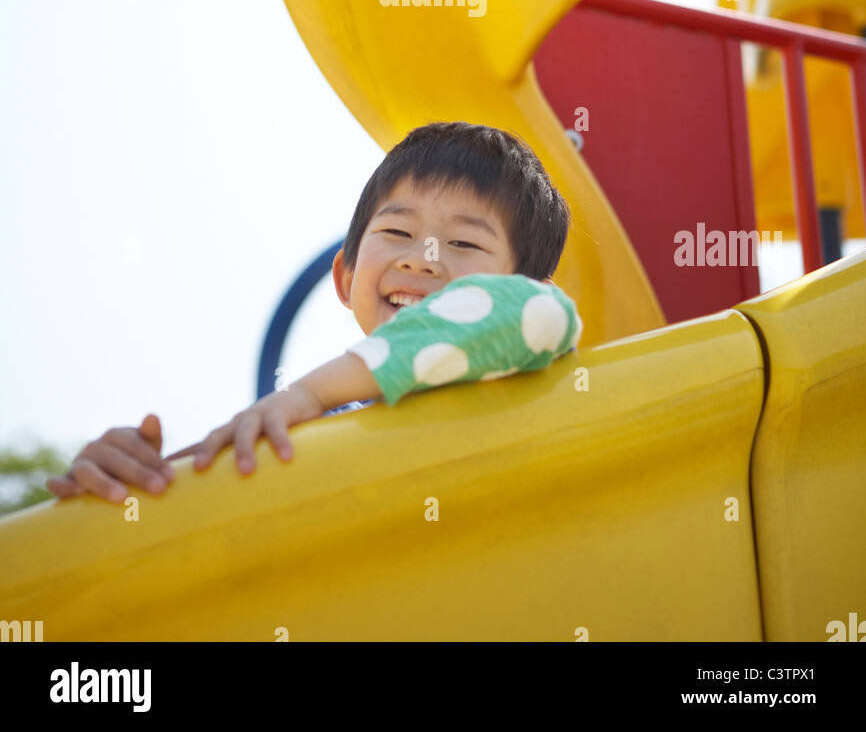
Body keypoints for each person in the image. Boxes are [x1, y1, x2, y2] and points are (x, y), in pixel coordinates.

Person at [46, 122, 581, 505]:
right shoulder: (314, 429)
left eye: (464, 242)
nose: (422, 257)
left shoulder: (531, 354)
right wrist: (129, 476)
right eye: (398, 232)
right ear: (346, 278)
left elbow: (530, 311)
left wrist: (308, 392)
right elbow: (216, 477)